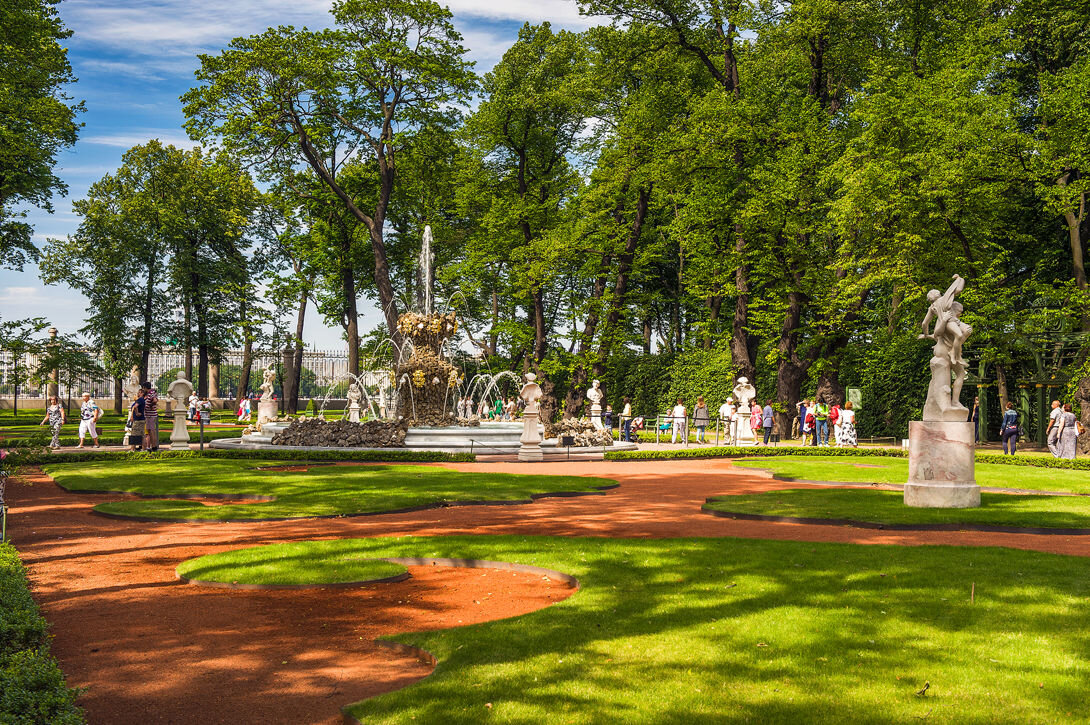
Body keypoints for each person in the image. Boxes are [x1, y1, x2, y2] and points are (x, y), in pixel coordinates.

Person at [142, 382, 160, 451]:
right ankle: (153, 446)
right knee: (150, 430)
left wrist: (150, 405)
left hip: (150, 414)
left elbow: (155, 400)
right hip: (149, 414)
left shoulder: (151, 393)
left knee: (152, 430)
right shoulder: (152, 393)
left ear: (145, 388)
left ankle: (154, 446)